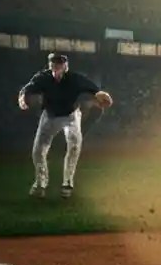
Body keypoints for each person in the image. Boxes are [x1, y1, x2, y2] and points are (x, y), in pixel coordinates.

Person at [18, 53, 113, 199]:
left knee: (74, 146)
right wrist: (22, 97)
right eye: (54, 66)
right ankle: (40, 183)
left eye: (60, 65)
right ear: (50, 67)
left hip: (71, 116)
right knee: (38, 150)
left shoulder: (74, 79)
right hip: (50, 116)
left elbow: (92, 87)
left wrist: (100, 94)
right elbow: (28, 88)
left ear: (66, 66)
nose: (57, 69)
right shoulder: (43, 77)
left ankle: (67, 183)